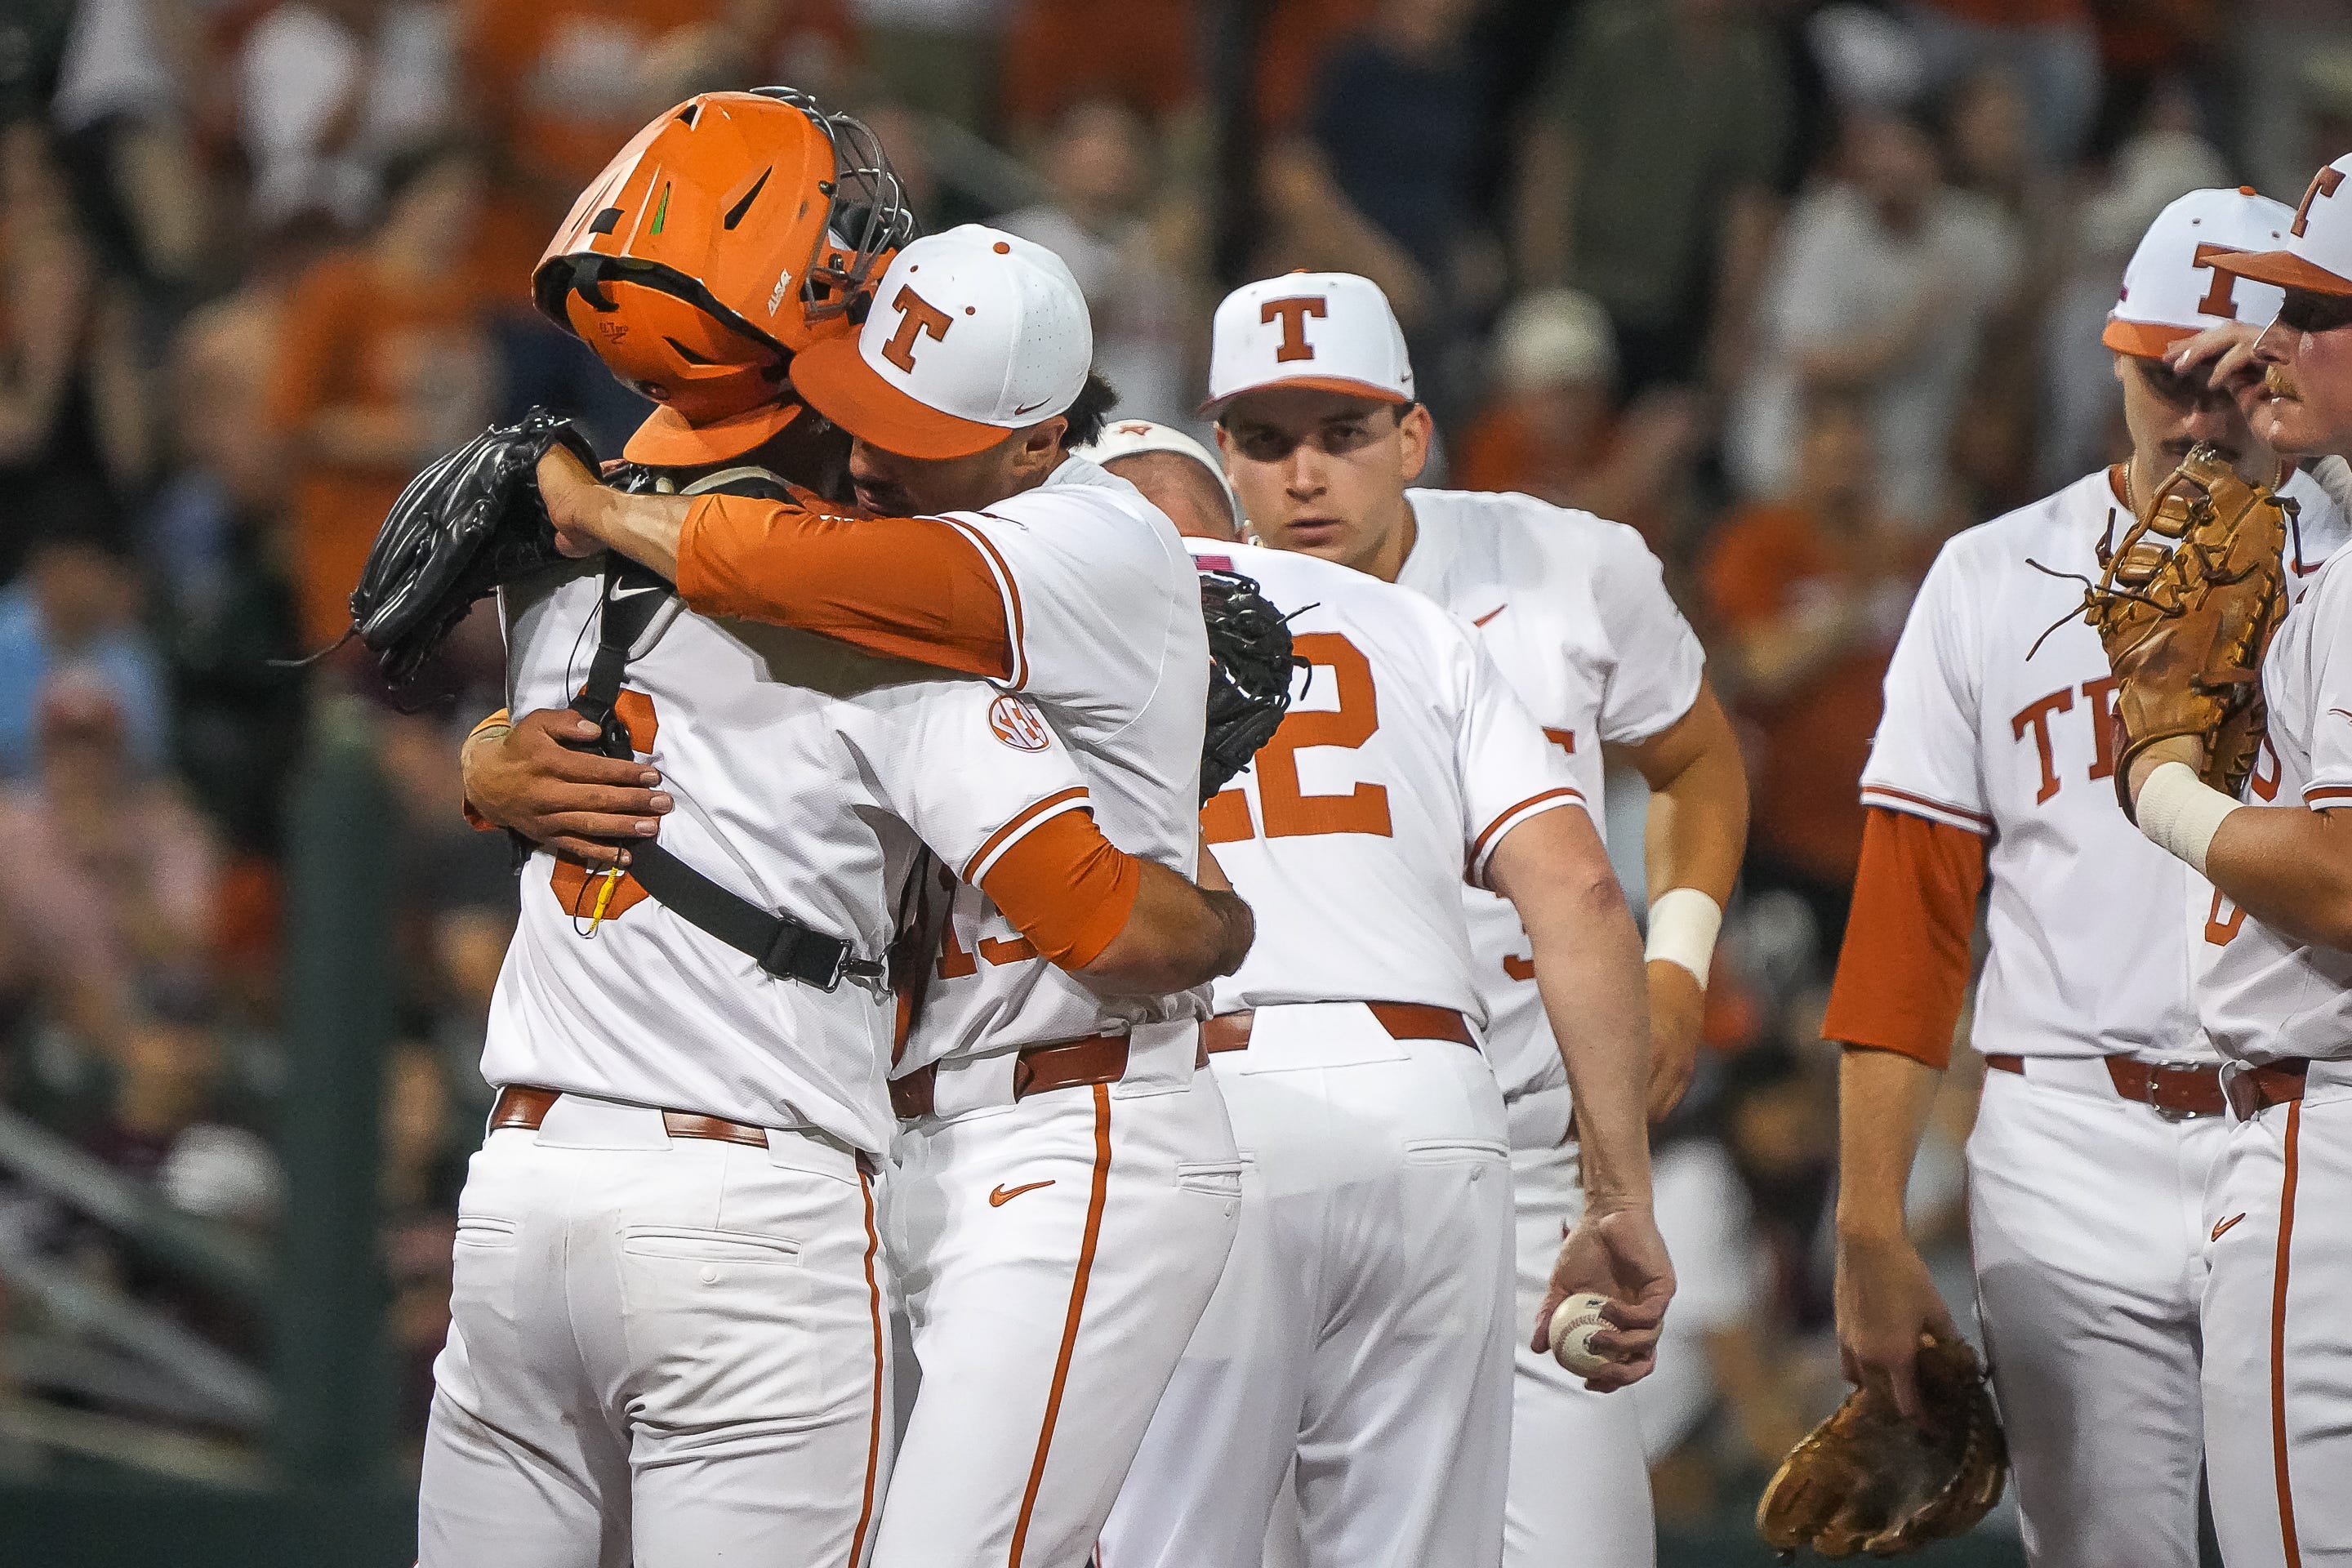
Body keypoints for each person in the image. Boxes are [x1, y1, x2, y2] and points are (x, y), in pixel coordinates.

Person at [414, 96, 1249, 1568]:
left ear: (1039, 443)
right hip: (798, 1169)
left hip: (595, 1173)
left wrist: (548, 616)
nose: (868, 459)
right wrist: (496, 767)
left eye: (909, 435)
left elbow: (756, 568)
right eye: (857, 417)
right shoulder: (859, 619)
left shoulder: (1049, 539)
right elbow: (1113, 921)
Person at [1821, 185, 2350, 1568]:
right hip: (2068, 1137)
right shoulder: (1996, 578)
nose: (2191, 418)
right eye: (2158, 377)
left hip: (2307, 1122)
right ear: (2113, 361)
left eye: (2223, 380)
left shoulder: (2350, 565)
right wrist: (1870, 1217)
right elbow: (1909, 923)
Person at [1193, 270, 1746, 1567]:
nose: (1305, 478)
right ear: (1222, 450)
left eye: (1341, 433)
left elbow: (1699, 761)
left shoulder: (1569, 562)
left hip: (1538, 1168)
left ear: (1412, 434)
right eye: (1267, 442)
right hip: (1262, 1156)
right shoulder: (1169, 604)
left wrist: (1676, 967)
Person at [1095, 526, 1671, 1568]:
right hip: (1436, 1108)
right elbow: (1585, 891)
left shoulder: (1060, 595)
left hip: (1208, 1098)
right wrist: (1618, 1197)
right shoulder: (1410, 620)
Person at [2134, 152, 2352, 1568]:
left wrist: (2159, 788)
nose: (2271, 340)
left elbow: (2344, 878)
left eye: (2315, 312)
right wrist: (2259, 444)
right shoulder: (2322, 526)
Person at [1706, 394, 1922, 949]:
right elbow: (1759, 668)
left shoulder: (1912, 550)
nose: (1846, 477)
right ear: (1801, 456)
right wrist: (1858, 605)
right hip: (1790, 840)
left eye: (1857, 459)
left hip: (1893, 835)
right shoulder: (1760, 544)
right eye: (1832, 458)